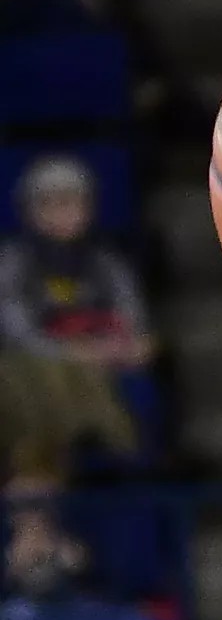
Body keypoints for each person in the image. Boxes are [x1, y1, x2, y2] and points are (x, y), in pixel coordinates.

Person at [0, 152, 145, 481]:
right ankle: (81, 442)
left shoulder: (108, 265)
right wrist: (71, 352)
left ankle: (115, 456)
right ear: (30, 210)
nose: (63, 212)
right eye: (51, 203)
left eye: (72, 201)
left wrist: (119, 347)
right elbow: (15, 330)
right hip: (34, 368)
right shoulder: (13, 265)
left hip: (104, 360)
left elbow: (132, 320)